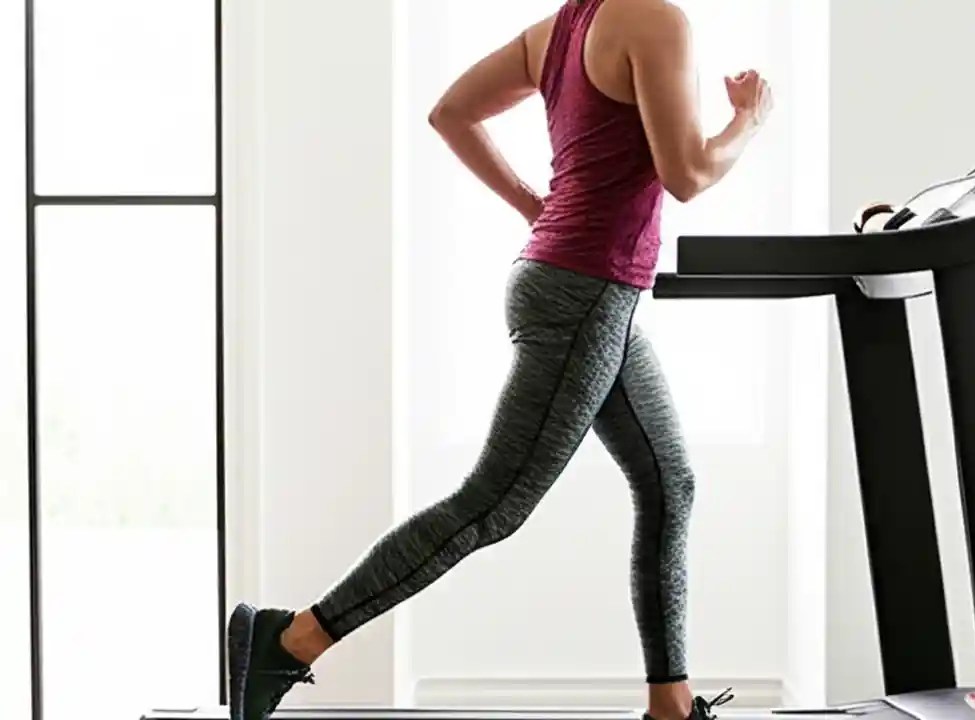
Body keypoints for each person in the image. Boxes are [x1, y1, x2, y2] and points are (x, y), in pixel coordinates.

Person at [226, 1, 772, 719]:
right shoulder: (654, 20)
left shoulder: (558, 29)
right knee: (493, 504)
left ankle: (669, 705)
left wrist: (531, 206)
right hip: (585, 294)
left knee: (671, 482)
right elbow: (690, 173)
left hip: (578, 288)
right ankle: (289, 639)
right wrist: (749, 121)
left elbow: (451, 112)